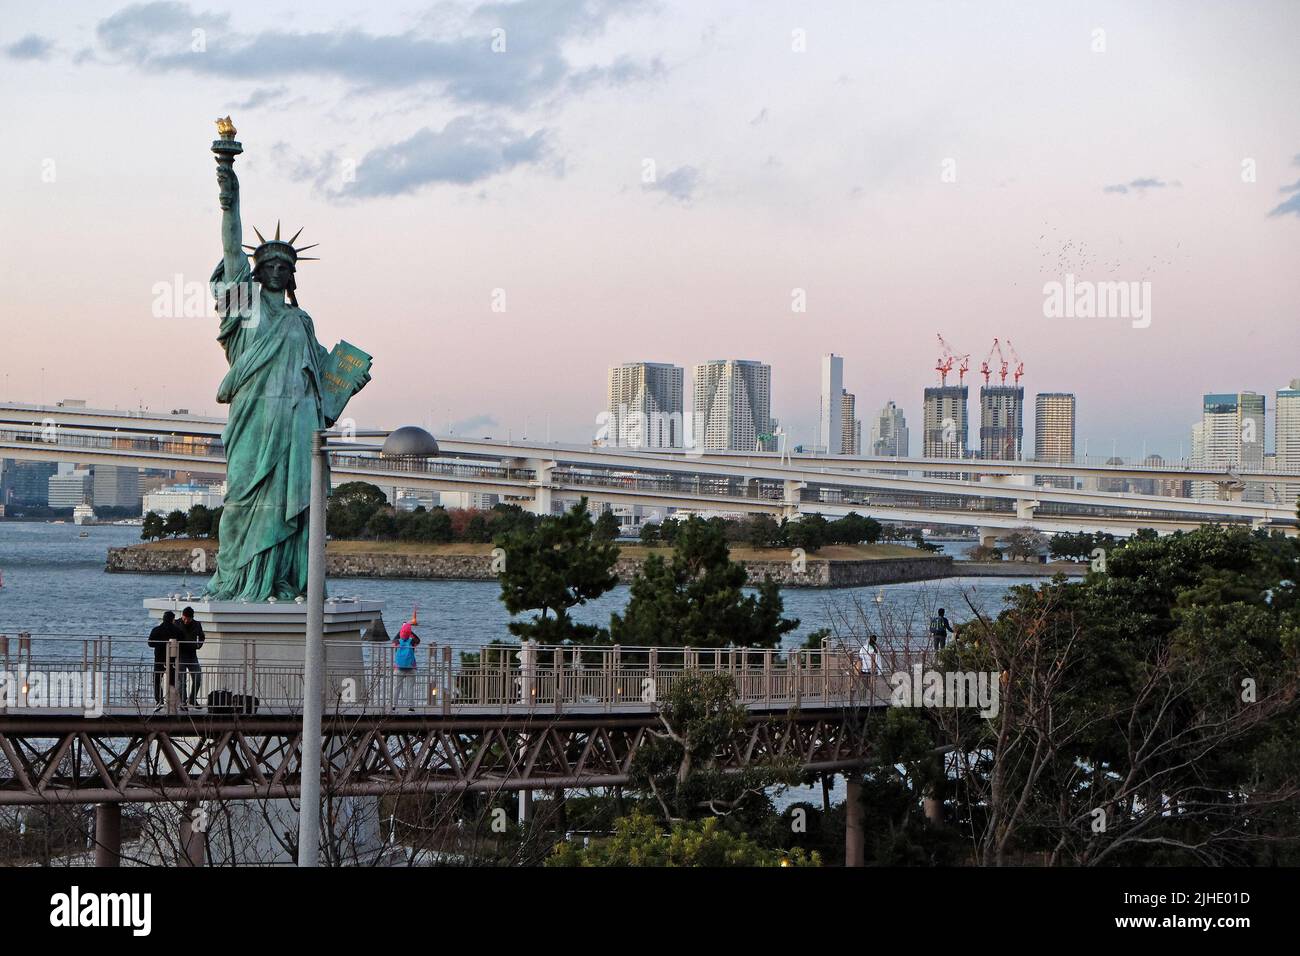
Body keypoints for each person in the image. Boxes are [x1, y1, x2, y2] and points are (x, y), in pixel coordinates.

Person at [147, 611, 182, 711]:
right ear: (172, 619)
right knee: (172, 681)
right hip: (172, 660)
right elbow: (182, 641)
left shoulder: (156, 630)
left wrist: (160, 644)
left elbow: (150, 643)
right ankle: (172, 702)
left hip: (158, 658)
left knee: (157, 680)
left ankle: (159, 701)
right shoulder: (176, 630)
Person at [176, 606, 206, 707]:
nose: (185, 621)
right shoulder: (176, 623)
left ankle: (193, 699)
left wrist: (199, 645)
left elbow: (202, 636)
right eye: (184, 618)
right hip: (180, 655)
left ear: (192, 618)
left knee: (197, 677)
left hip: (192, 655)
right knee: (182, 681)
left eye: (188, 619)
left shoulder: (197, 624)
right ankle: (183, 702)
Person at [391, 620, 421, 710]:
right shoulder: (412, 641)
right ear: (409, 632)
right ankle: (410, 706)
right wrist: (409, 630)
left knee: (396, 687)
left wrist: (402, 629)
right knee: (410, 687)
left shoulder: (397, 642)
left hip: (399, 668)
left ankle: (393, 705)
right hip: (411, 667)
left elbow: (393, 641)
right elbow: (418, 640)